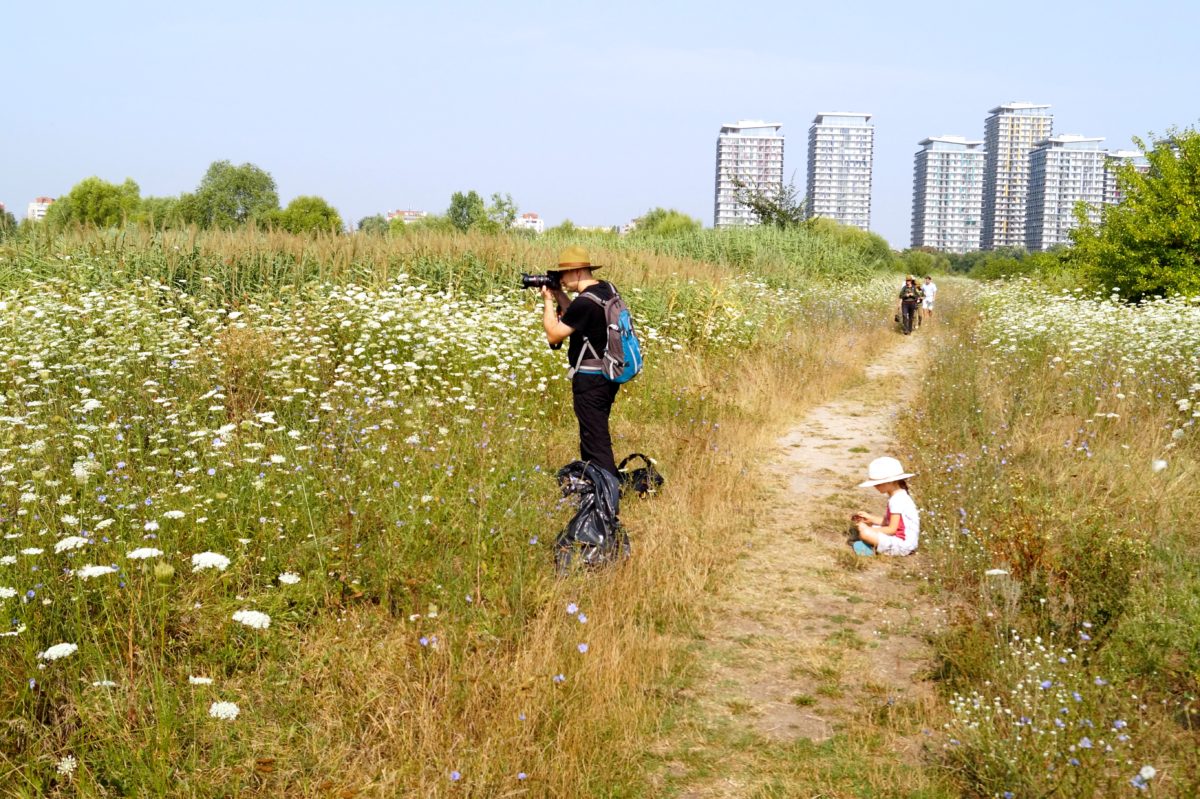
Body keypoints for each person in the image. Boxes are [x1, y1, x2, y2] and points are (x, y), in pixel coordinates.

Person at [540, 246, 622, 477]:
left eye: (563, 275)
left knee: (594, 439)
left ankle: (606, 494)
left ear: (577, 272)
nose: (561, 280)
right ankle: (597, 481)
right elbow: (576, 315)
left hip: (590, 380)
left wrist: (547, 301)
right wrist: (558, 294)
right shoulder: (605, 290)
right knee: (595, 431)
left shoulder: (585, 303)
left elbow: (553, 334)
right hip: (607, 374)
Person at [850, 457, 919, 556]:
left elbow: (891, 529)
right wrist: (871, 519)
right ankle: (874, 545)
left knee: (865, 533)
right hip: (903, 542)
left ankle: (872, 549)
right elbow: (890, 522)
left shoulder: (897, 500)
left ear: (891, 481)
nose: (875, 487)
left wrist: (869, 530)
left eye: (878, 484)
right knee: (866, 527)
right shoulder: (898, 496)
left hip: (903, 545)